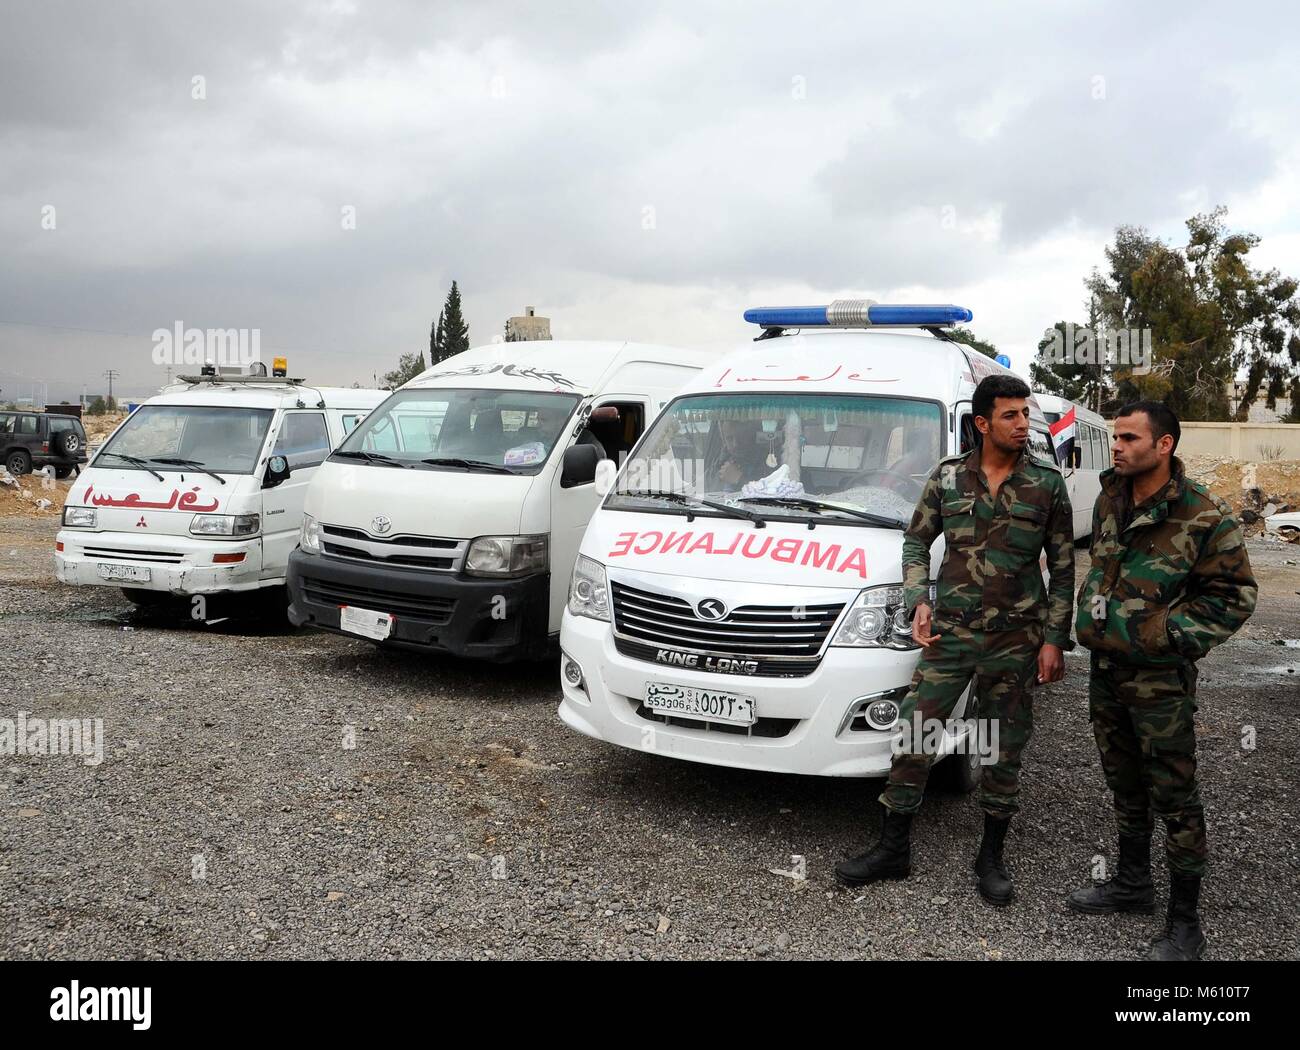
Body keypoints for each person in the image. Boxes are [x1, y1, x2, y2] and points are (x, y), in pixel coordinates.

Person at [835, 374, 1075, 905]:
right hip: (952, 634)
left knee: (1001, 744)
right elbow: (917, 540)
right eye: (1010, 415)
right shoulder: (947, 479)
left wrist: (1056, 638)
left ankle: (990, 856)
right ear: (983, 423)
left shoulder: (1046, 484)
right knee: (915, 732)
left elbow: (1063, 568)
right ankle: (893, 847)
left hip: (1016, 639)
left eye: (1026, 414)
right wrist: (918, 598)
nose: (1023, 424)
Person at [1067, 401, 1256, 961]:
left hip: (1160, 683)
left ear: (1164, 445)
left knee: (1173, 794)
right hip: (1105, 670)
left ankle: (1185, 924)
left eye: (1128, 438)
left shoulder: (1204, 515)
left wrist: (1165, 634)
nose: (1117, 446)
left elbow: (1236, 597)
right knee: (1124, 782)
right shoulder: (1110, 498)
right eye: (1115, 437)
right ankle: (1131, 885)